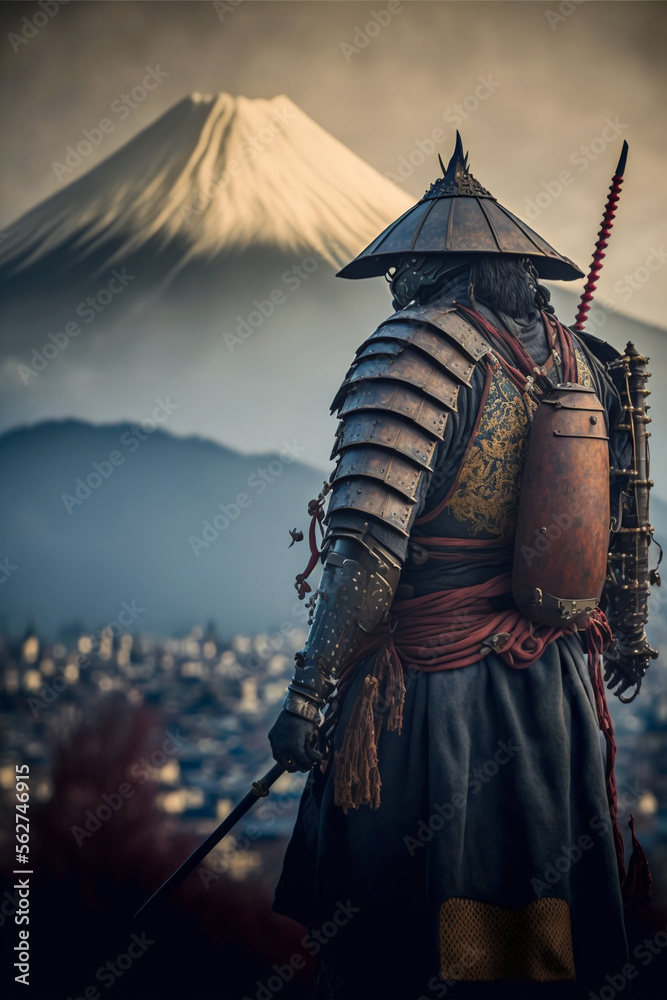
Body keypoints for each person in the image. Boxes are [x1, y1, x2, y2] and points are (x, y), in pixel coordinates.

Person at [268, 134, 655, 1000]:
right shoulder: (583, 362)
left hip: (434, 704)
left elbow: (365, 548)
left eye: (406, 273)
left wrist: (308, 692)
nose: (399, 289)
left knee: (415, 937)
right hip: (556, 694)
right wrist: (626, 639)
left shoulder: (411, 352)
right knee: (533, 928)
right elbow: (624, 535)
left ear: (431, 266)